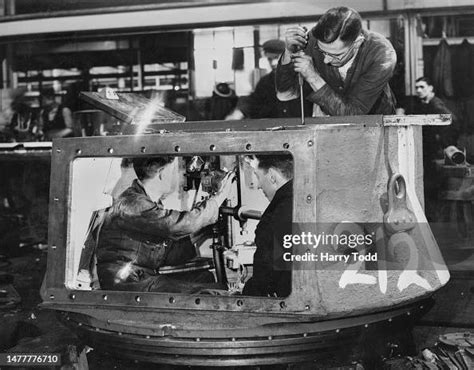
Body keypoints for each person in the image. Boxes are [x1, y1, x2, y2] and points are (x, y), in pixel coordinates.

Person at [95, 156, 235, 293]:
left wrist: (203, 231)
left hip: (139, 276)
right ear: (162, 174)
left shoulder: (148, 203)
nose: (182, 174)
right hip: (128, 282)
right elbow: (175, 225)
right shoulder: (132, 202)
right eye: (178, 169)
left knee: (205, 278)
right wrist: (217, 200)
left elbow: (166, 253)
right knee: (210, 293)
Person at [276, 6, 397, 116]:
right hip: (328, 120)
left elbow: (354, 114)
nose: (326, 60)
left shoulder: (381, 53)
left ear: (357, 44)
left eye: (336, 55)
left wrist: (313, 77)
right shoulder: (312, 40)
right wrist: (288, 53)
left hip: (375, 122)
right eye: (322, 51)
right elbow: (285, 94)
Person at [243, 154, 293, 297]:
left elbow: (262, 283)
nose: (258, 185)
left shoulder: (273, 218)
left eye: (258, 176)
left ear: (272, 176)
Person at [226, 39, 312, 119]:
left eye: (276, 57)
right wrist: (239, 112)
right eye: (269, 59)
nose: (273, 63)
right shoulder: (265, 82)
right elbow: (253, 102)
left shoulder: (303, 77)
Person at [413, 76, 458, 221]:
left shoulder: (436, 104)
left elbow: (453, 121)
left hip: (435, 153)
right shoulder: (423, 104)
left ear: (430, 88)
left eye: (422, 87)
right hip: (426, 151)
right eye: (417, 88)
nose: (419, 90)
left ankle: (434, 219)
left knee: (433, 187)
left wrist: (444, 141)